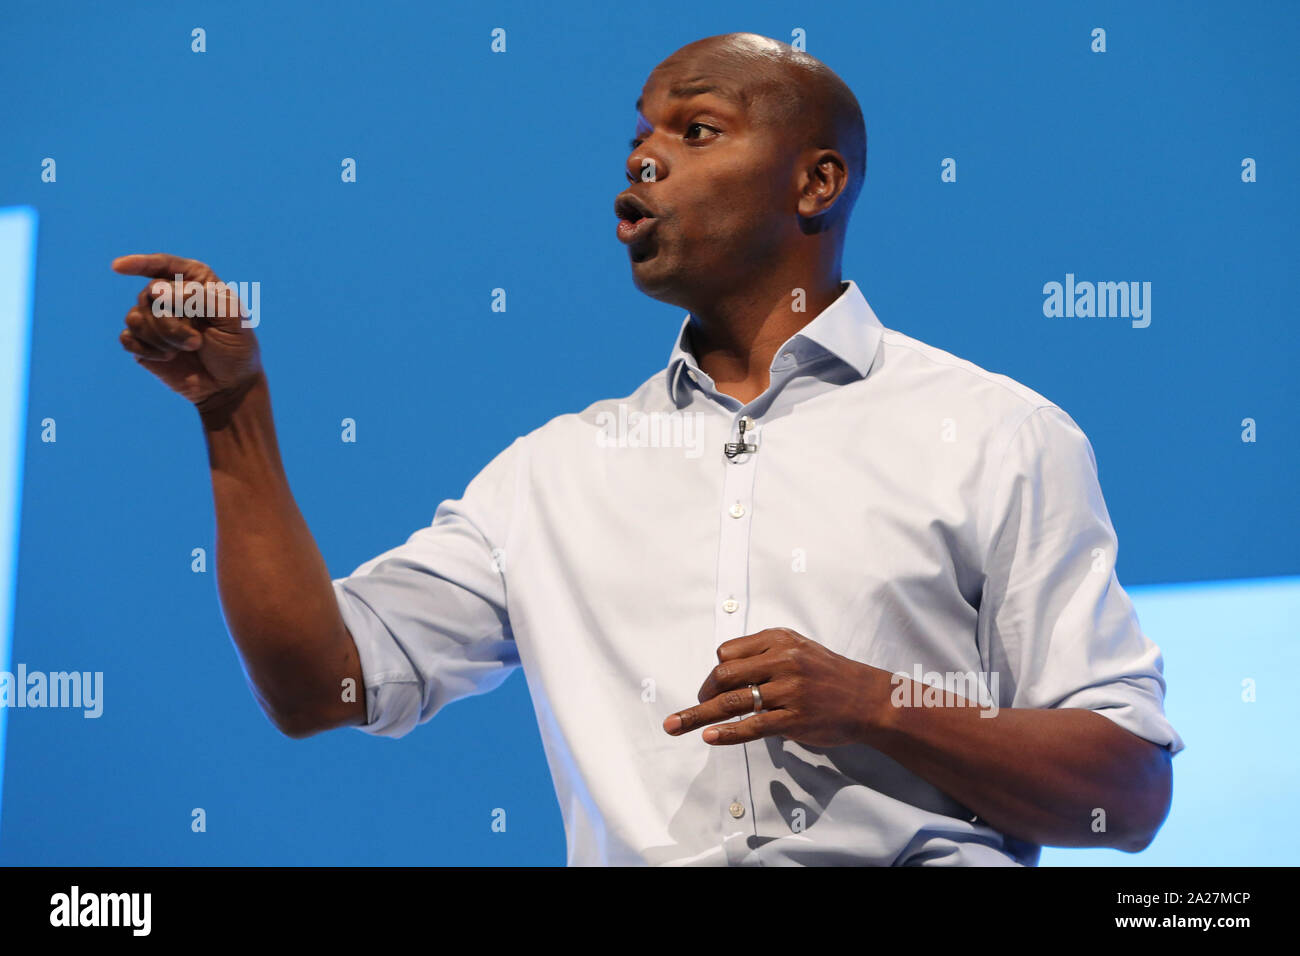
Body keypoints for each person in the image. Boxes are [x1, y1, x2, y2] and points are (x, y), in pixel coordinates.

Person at [112, 32, 1182, 866]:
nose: (641, 163)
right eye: (636, 142)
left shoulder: (994, 433)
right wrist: (232, 408)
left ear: (816, 183)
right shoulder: (552, 473)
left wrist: (876, 703)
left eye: (696, 130)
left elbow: (1125, 794)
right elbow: (320, 687)